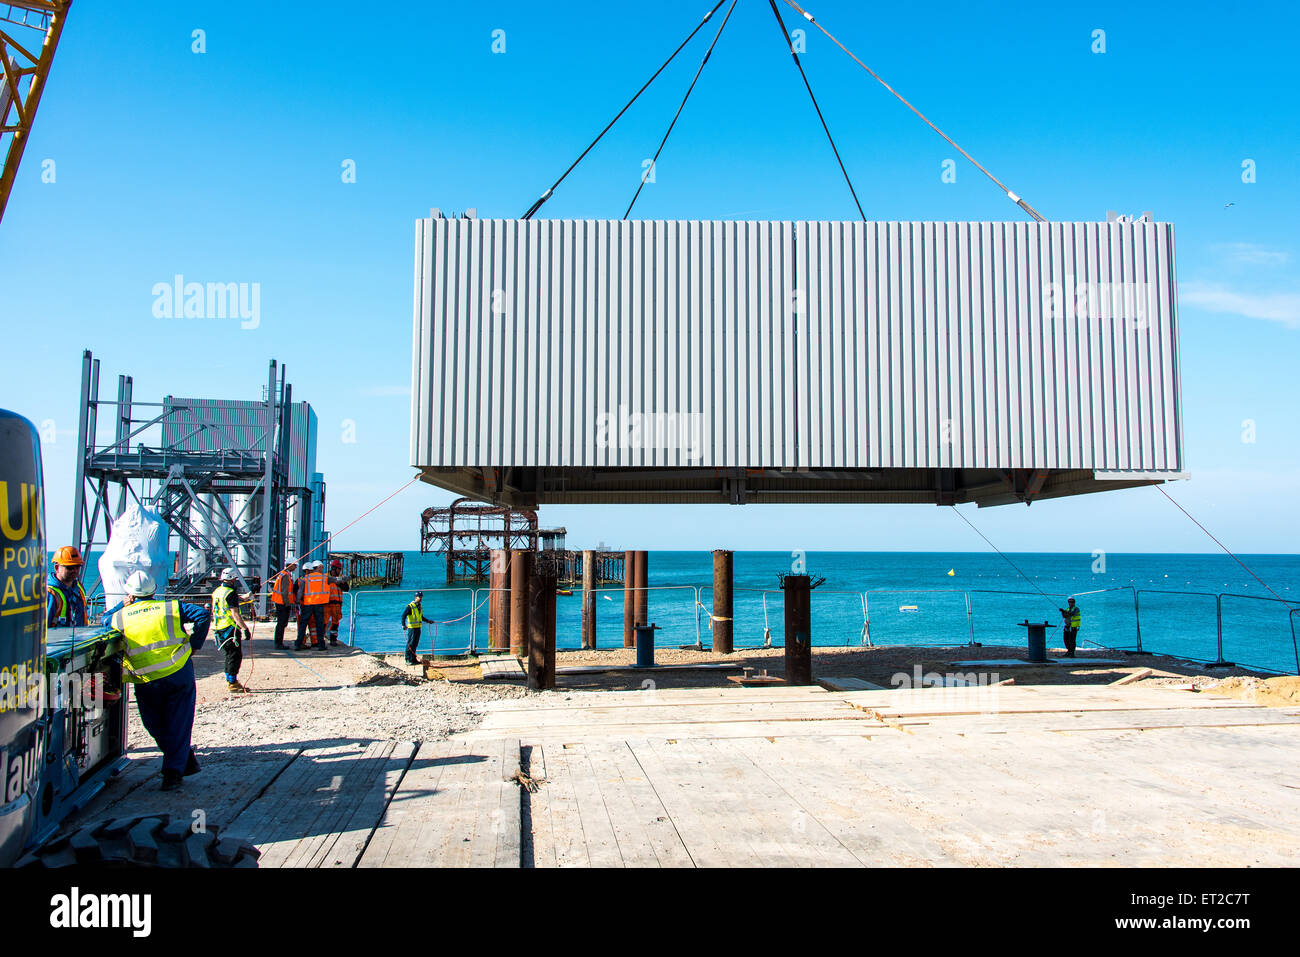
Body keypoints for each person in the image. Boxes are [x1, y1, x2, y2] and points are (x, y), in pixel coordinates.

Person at [103, 570, 210, 791]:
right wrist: (194, 645)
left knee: (154, 724)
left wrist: (120, 606)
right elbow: (202, 614)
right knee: (178, 723)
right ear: (154, 591)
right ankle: (181, 760)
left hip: (146, 679)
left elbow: (104, 620)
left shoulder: (120, 616)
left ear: (130, 595)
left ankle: (173, 772)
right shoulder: (169, 607)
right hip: (178, 671)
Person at [212, 569, 253, 692]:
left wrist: (250, 594)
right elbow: (235, 614)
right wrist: (244, 628)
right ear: (234, 579)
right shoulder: (230, 593)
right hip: (229, 628)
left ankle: (231, 680)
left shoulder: (218, 591)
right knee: (234, 656)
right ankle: (232, 683)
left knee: (229, 655)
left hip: (219, 627)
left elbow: (238, 599)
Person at [47, 544, 88, 627]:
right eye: (69, 567)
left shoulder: (78, 587)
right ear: (57, 568)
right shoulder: (50, 593)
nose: (74, 570)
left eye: (77, 566)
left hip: (79, 637)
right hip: (59, 639)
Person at [295, 560, 330, 651]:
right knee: (320, 624)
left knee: (303, 624)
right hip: (318, 603)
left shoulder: (304, 579)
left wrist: (297, 602)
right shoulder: (323, 577)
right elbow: (336, 580)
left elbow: (299, 592)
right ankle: (320, 645)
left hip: (307, 604)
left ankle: (298, 643)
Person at [268, 560, 297, 649]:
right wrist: (287, 603)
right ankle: (278, 643)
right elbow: (285, 591)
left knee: (281, 623)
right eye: (294, 565)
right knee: (282, 623)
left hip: (280, 602)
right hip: (282, 603)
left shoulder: (283, 574)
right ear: (290, 565)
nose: (296, 567)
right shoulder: (285, 576)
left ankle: (278, 642)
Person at [401, 592, 423, 665]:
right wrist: (403, 625)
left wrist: (428, 621)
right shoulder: (410, 606)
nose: (420, 598)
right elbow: (403, 616)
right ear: (415, 597)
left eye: (421, 597)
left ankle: (413, 659)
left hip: (418, 628)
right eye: (419, 597)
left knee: (415, 644)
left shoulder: (419, 606)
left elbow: (421, 617)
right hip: (412, 629)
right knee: (410, 644)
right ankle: (407, 659)